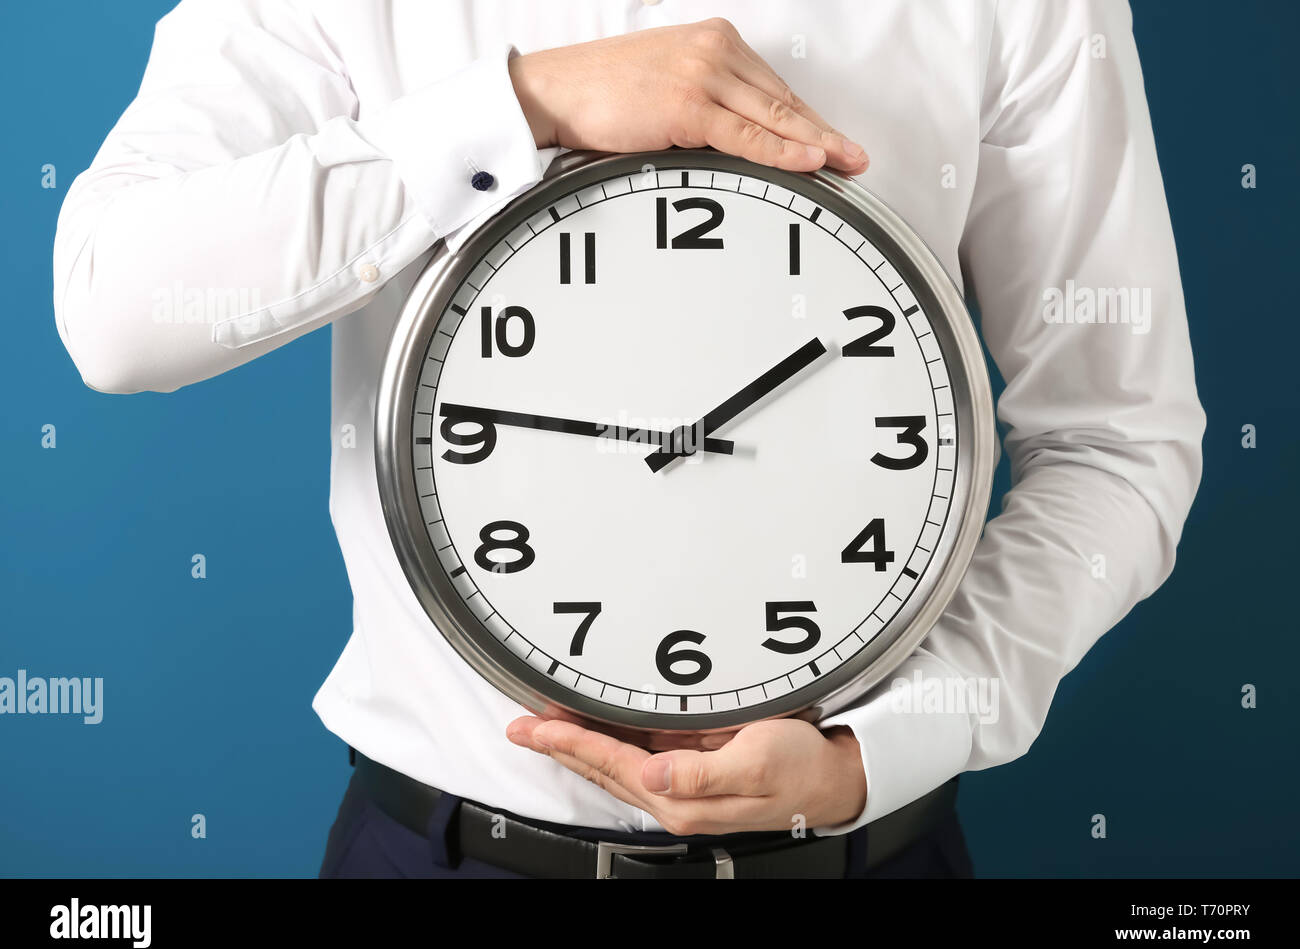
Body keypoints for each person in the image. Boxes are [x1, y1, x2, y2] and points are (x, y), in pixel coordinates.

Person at [52, 0, 1204, 878]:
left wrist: (878, 747)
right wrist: (518, 107)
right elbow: (113, 309)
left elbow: (1116, 440)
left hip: (861, 850)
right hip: (442, 850)